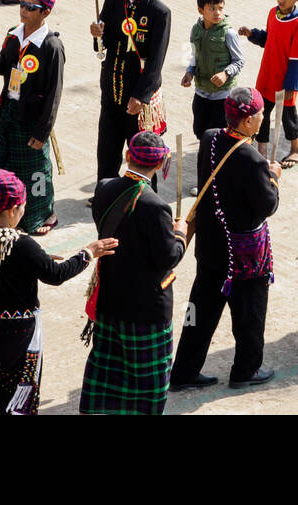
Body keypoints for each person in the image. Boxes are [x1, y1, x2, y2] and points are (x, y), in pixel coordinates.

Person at [0, 160, 109, 414]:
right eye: (22, 206)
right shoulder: (22, 244)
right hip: (17, 336)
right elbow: (56, 275)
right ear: (10, 210)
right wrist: (87, 253)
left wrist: (34, 261)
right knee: (13, 392)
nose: (24, 210)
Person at [169, 87, 281, 391]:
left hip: (210, 245)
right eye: (258, 114)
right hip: (242, 253)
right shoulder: (251, 158)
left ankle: (183, 372)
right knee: (250, 313)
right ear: (245, 122)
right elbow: (267, 205)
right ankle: (245, 369)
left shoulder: (209, 138)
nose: (262, 119)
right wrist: (272, 176)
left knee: (200, 313)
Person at [79, 133, 186, 415]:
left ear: (128, 155)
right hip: (145, 310)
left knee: (108, 378)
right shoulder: (155, 206)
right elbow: (168, 257)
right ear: (160, 162)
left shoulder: (103, 188)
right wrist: (181, 234)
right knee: (146, 388)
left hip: (110, 300)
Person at [0, 0, 65, 237]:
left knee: (36, 173)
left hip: (33, 117)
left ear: (45, 12)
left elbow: (54, 94)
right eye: (22, 4)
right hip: (8, 110)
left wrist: (43, 130)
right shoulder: (13, 35)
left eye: (31, 7)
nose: (24, 10)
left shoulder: (52, 46)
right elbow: (6, 63)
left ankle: (42, 214)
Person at [90, 0, 171, 182]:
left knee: (142, 152)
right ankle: (104, 189)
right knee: (107, 147)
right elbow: (101, 47)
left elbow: (156, 61)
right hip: (112, 88)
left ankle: (144, 194)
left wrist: (140, 95)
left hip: (137, 94)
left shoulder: (159, 12)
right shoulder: (113, 1)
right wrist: (97, 36)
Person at [240, 0, 298, 169]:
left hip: (285, 79)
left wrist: (291, 86)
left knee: (288, 115)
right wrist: (252, 34)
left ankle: (296, 149)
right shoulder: (273, 13)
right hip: (267, 74)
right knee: (262, 112)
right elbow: (268, 39)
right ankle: (262, 150)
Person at [182, 0, 246, 141]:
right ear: (200, 10)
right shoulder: (195, 30)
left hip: (222, 95)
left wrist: (226, 73)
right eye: (212, 8)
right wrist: (189, 72)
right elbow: (193, 55)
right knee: (200, 131)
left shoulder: (228, 33)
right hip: (201, 92)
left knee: (217, 135)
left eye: (220, 8)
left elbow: (240, 61)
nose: (217, 13)